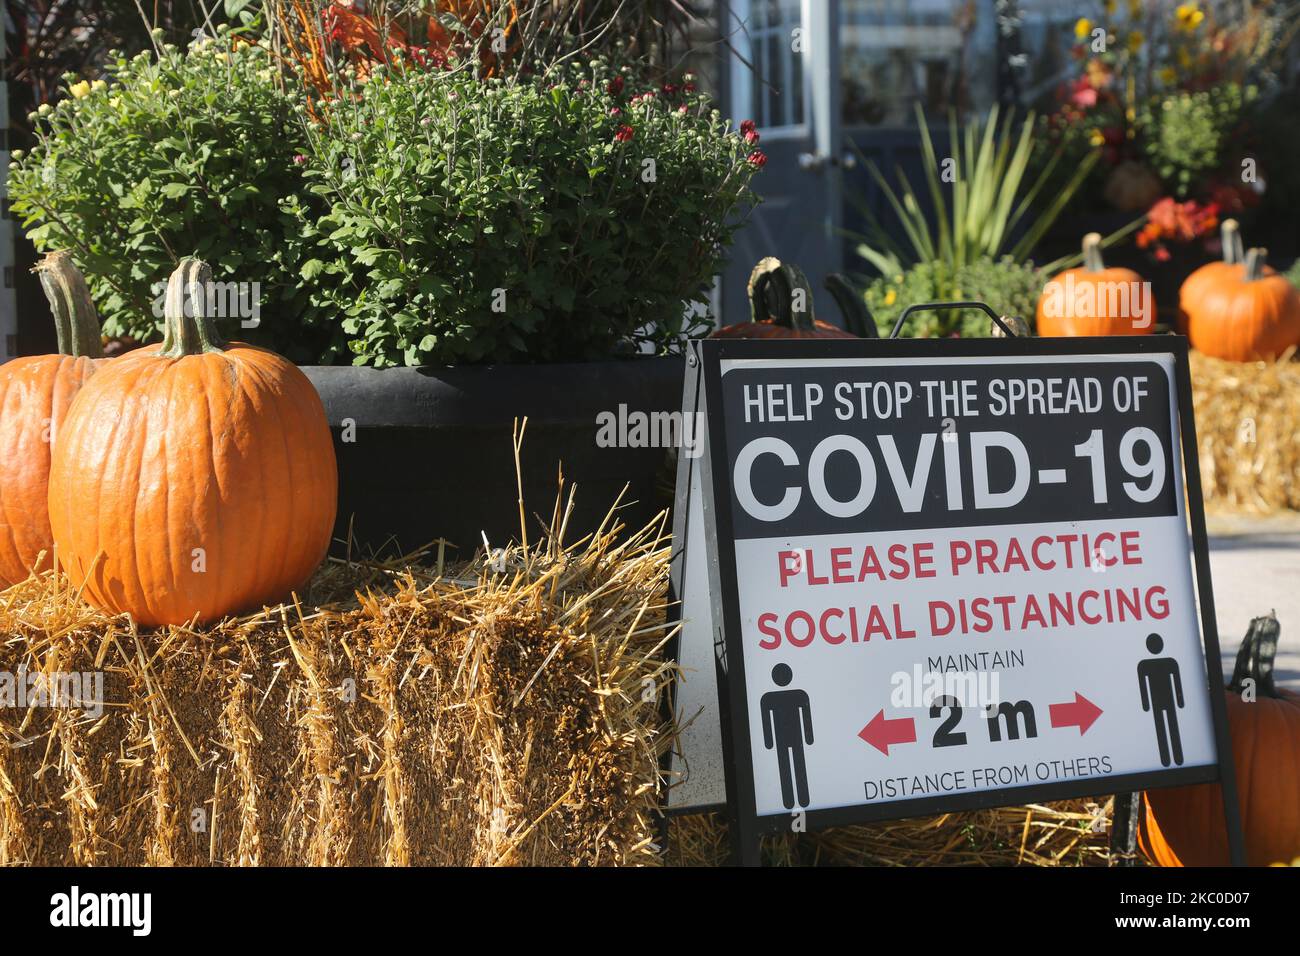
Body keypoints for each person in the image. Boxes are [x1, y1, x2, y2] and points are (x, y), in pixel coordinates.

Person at [760, 663, 814, 809]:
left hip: (789, 739)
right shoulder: (771, 698)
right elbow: (766, 721)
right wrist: (809, 737)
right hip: (788, 738)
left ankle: (800, 800)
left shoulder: (795, 695)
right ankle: (792, 801)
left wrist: (769, 741)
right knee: (789, 767)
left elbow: (806, 716)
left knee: (795, 766)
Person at [1137, 633, 1184, 767]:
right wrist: (1145, 704)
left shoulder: (1169, 663)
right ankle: (1168, 759)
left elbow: (1176, 681)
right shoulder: (1145, 665)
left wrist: (1180, 701)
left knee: (1169, 727)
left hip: (1165, 702)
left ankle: (1176, 758)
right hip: (1160, 702)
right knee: (1164, 728)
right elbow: (1143, 686)